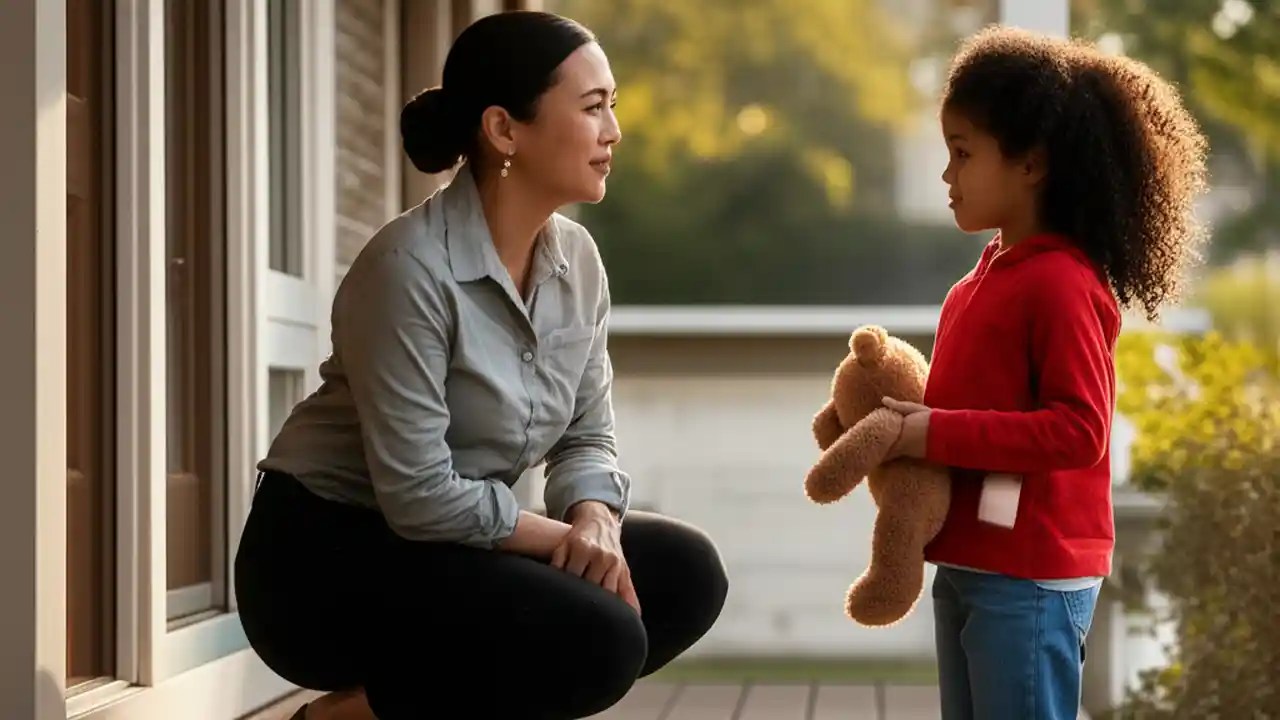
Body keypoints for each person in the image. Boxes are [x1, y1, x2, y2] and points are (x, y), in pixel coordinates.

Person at [233, 11, 728, 720]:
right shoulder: (407, 269)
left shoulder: (578, 265)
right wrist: (563, 539)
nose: (613, 131)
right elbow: (420, 494)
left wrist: (593, 518)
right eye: (592, 108)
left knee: (684, 574)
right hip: (326, 558)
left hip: (452, 547)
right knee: (600, 634)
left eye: (611, 107)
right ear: (504, 130)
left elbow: (587, 434)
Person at [878, 26, 1208, 720]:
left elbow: (1078, 430)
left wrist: (932, 434)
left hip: (1029, 576)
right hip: (967, 560)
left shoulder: (1061, 283)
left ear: (1031, 163)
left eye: (962, 154)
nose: (947, 176)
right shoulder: (981, 280)